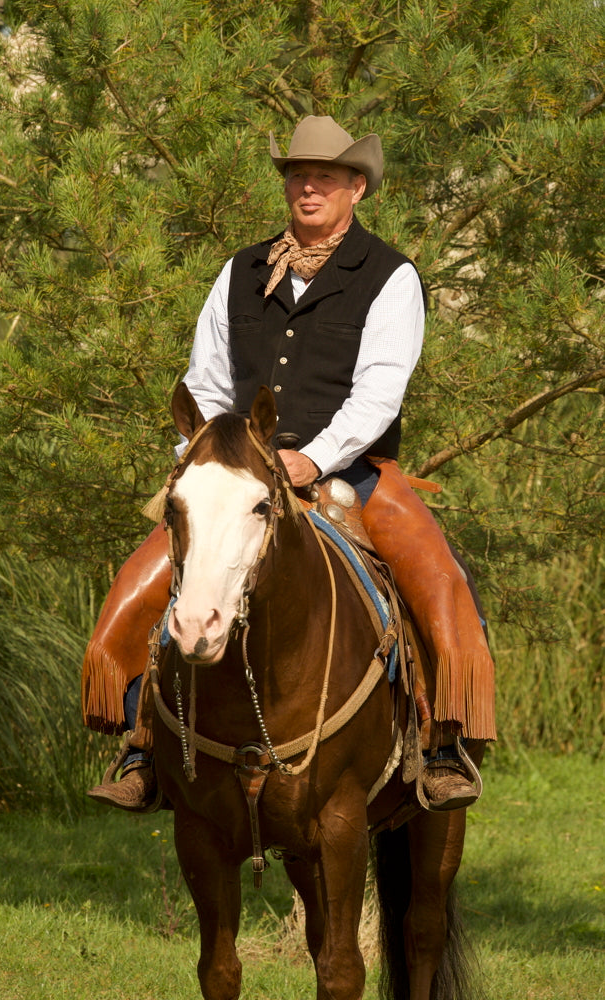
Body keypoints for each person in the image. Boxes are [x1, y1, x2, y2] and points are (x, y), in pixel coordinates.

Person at [83, 115, 496, 813]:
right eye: (298, 175)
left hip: (352, 474)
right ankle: (142, 743)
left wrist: (312, 458)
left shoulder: (391, 276)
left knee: (439, 580)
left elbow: (380, 391)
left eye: (324, 177)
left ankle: (440, 743)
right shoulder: (239, 271)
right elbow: (207, 382)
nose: (308, 187)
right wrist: (200, 466)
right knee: (136, 588)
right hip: (235, 475)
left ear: (355, 187)